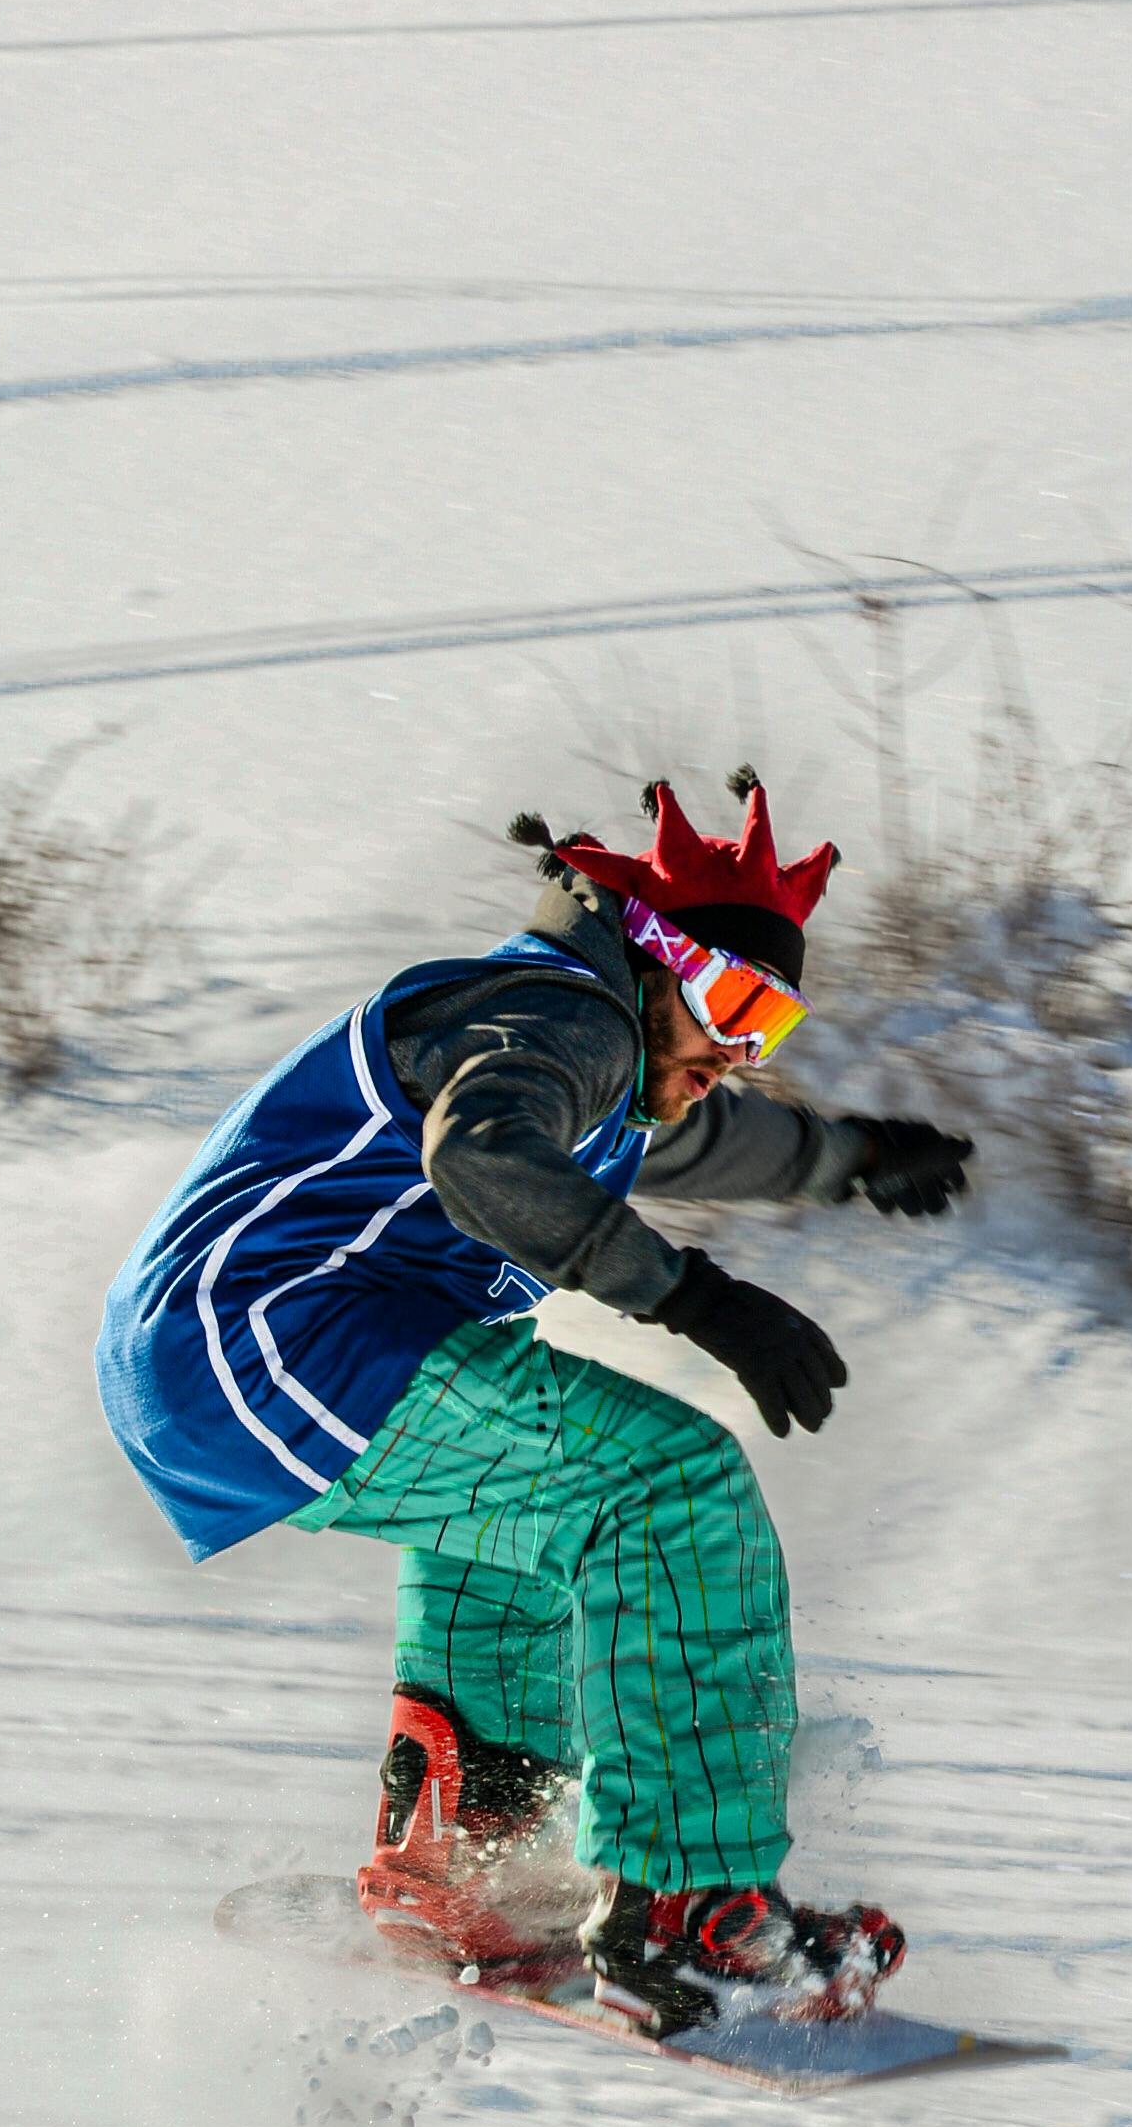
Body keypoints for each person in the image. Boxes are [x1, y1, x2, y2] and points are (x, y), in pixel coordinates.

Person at [97, 773, 971, 2033]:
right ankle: (684, 1901)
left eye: (768, 1022)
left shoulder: (599, 1058)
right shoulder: (560, 1016)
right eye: (727, 1000)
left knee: (528, 1512)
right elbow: (483, 1155)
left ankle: (468, 1858)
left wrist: (851, 1158)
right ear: (650, 958)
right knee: (665, 1478)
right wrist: (697, 1299)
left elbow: (700, 1140)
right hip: (269, 1330)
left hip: (209, 1351)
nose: (736, 1046)